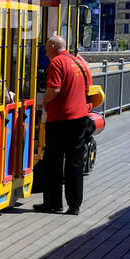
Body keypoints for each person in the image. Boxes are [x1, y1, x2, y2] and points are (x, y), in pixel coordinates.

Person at [34, 34, 92, 215]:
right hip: (80, 117)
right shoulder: (79, 62)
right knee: (75, 163)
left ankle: (52, 203)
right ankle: (74, 205)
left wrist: (44, 103)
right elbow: (87, 88)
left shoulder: (57, 63)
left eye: (46, 49)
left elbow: (55, 89)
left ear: (52, 46)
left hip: (60, 119)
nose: (45, 53)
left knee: (53, 162)